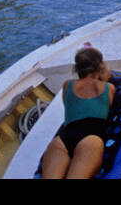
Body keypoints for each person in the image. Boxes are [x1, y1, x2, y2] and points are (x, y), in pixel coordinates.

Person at [41, 46, 115, 179]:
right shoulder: (108, 88)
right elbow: (107, 106)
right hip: (91, 140)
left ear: (77, 68)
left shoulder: (67, 85)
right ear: (100, 67)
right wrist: (103, 77)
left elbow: (68, 106)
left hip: (63, 140)